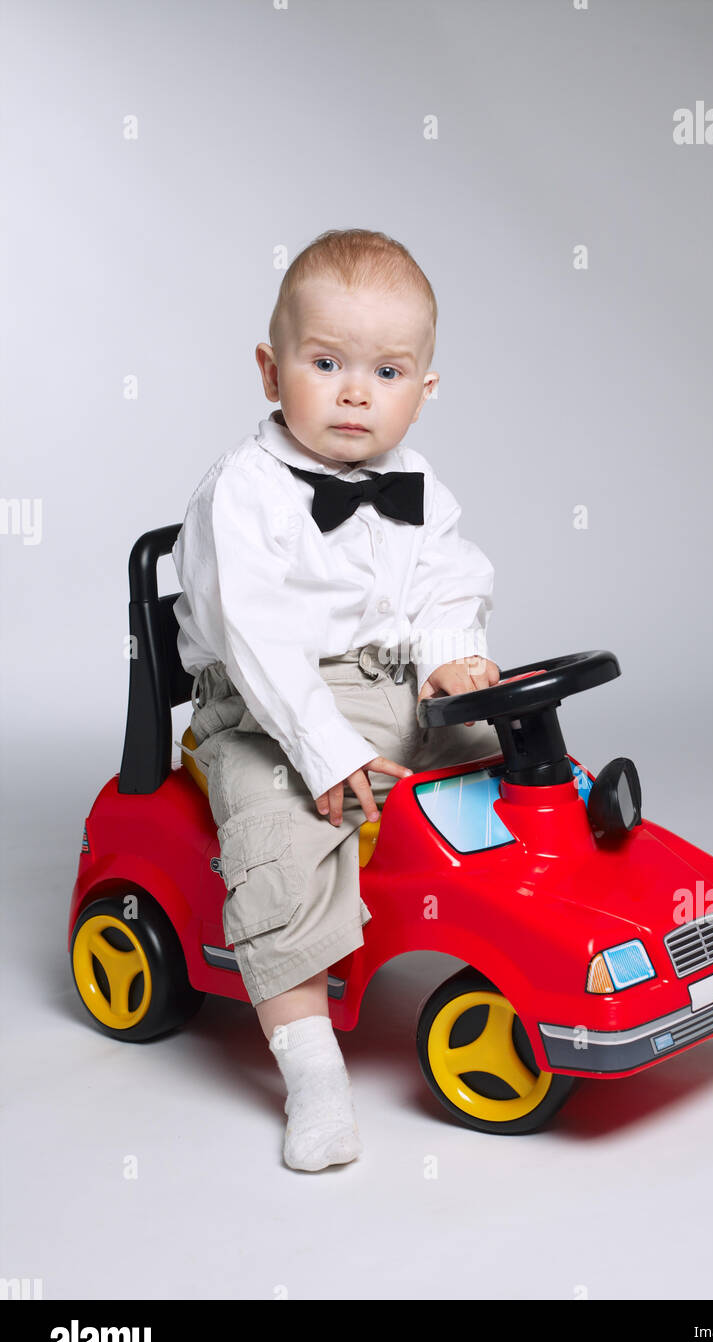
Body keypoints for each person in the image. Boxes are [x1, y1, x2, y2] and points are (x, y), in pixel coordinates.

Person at [172, 228, 502, 1172]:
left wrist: (449, 658)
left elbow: (450, 579)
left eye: (387, 371)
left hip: (394, 686)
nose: (357, 391)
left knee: (505, 758)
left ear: (424, 389)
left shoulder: (417, 486)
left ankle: (517, 931)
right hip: (269, 706)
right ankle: (312, 1072)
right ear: (271, 372)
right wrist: (325, 752)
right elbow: (258, 641)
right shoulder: (243, 493)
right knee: (282, 839)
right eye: (326, 362)